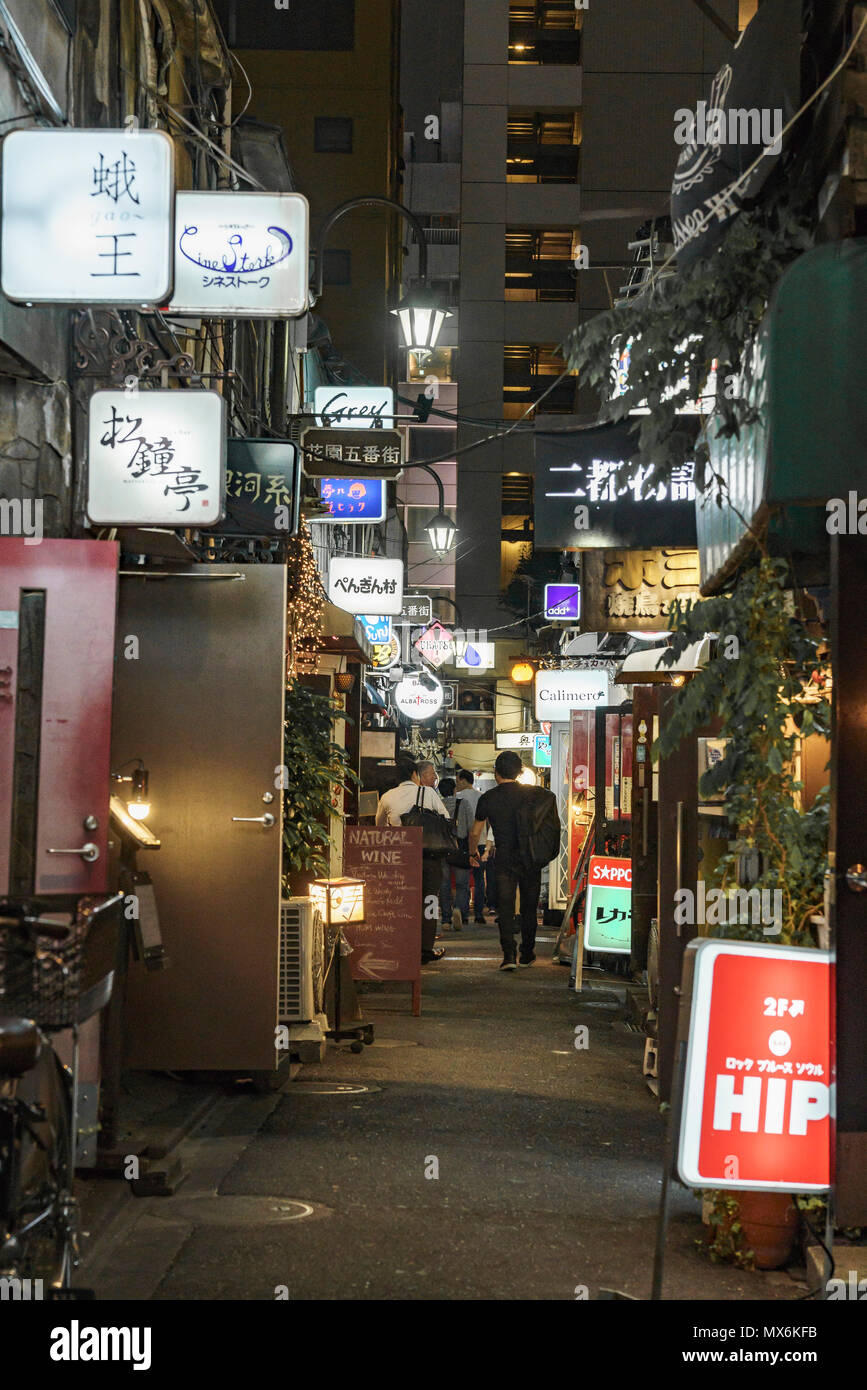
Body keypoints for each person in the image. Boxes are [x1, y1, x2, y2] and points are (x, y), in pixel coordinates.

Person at [469, 750, 540, 971]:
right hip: (530, 856)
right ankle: (527, 953)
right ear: (519, 772)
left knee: (506, 907)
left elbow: (475, 832)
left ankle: (509, 955)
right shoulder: (533, 795)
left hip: (504, 858)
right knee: (529, 906)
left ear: (496, 772)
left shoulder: (488, 798)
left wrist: (473, 852)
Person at [376, 757, 448, 964]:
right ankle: (425, 949)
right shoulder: (428, 793)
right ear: (414, 774)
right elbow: (446, 818)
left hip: (400, 859)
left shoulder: (387, 797)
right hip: (429, 858)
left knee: (401, 903)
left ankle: (402, 947)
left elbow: (379, 828)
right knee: (429, 902)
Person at [454, 769, 487, 923]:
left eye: (457, 781)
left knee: (464, 879)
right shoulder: (482, 797)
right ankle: (479, 914)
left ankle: (464, 913)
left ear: (463, 780)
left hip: (463, 843)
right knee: (479, 879)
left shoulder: (458, 797)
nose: (457, 784)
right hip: (481, 842)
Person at [436, 777, 458, 928]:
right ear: (454, 790)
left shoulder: (437, 803)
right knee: (461, 882)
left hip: (442, 846)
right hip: (459, 846)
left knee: (444, 882)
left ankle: (446, 919)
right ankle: (460, 911)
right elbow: (469, 826)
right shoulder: (462, 803)